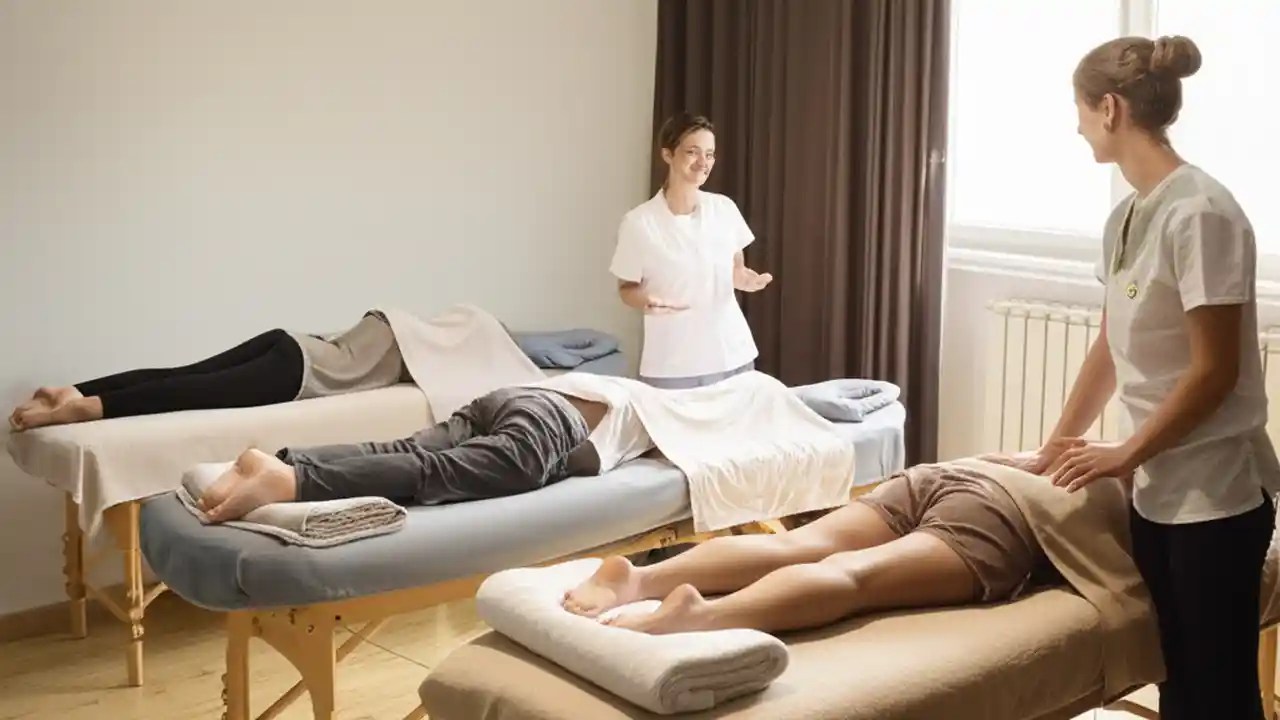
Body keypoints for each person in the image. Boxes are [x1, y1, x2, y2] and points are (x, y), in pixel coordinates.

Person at [1016, 35, 1279, 720]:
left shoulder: (1202, 212)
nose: (1075, 125)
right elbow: (1111, 344)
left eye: (1079, 108)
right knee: (1175, 680)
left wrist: (1122, 452)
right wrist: (1058, 443)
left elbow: (1216, 372)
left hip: (1216, 497)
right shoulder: (1127, 216)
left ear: (1109, 108)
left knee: (1216, 692)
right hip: (1159, 491)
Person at [560, 450, 1068, 634]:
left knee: (798, 544)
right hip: (1004, 511)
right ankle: (702, 617)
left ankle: (639, 576)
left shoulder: (1084, 450)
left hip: (952, 472)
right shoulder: (1135, 491)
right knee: (856, 578)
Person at [194, 371, 656, 523]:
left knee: (405, 449)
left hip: (515, 396)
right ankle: (292, 480)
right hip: (554, 417)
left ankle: (272, 462)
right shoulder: (678, 408)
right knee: (442, 472)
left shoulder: (629, 387)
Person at [8, 311, 409, 431]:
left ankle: (75, 391)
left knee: (183, 375)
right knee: (190, 390)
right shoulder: (424, 352)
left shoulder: (396, 324)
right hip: (302, 370)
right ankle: (87, 407)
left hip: (292, 342)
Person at [610, 113, 773, 390]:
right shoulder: (639, 222)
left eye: (710, 154)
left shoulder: (724, 209)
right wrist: (646, 301)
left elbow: (736, 270)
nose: (703, 162)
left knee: (738, 432)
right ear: (667, 154)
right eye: (692, 152)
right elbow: (626, 288)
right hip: (673, 364)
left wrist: (745, 280)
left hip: (732, 354)